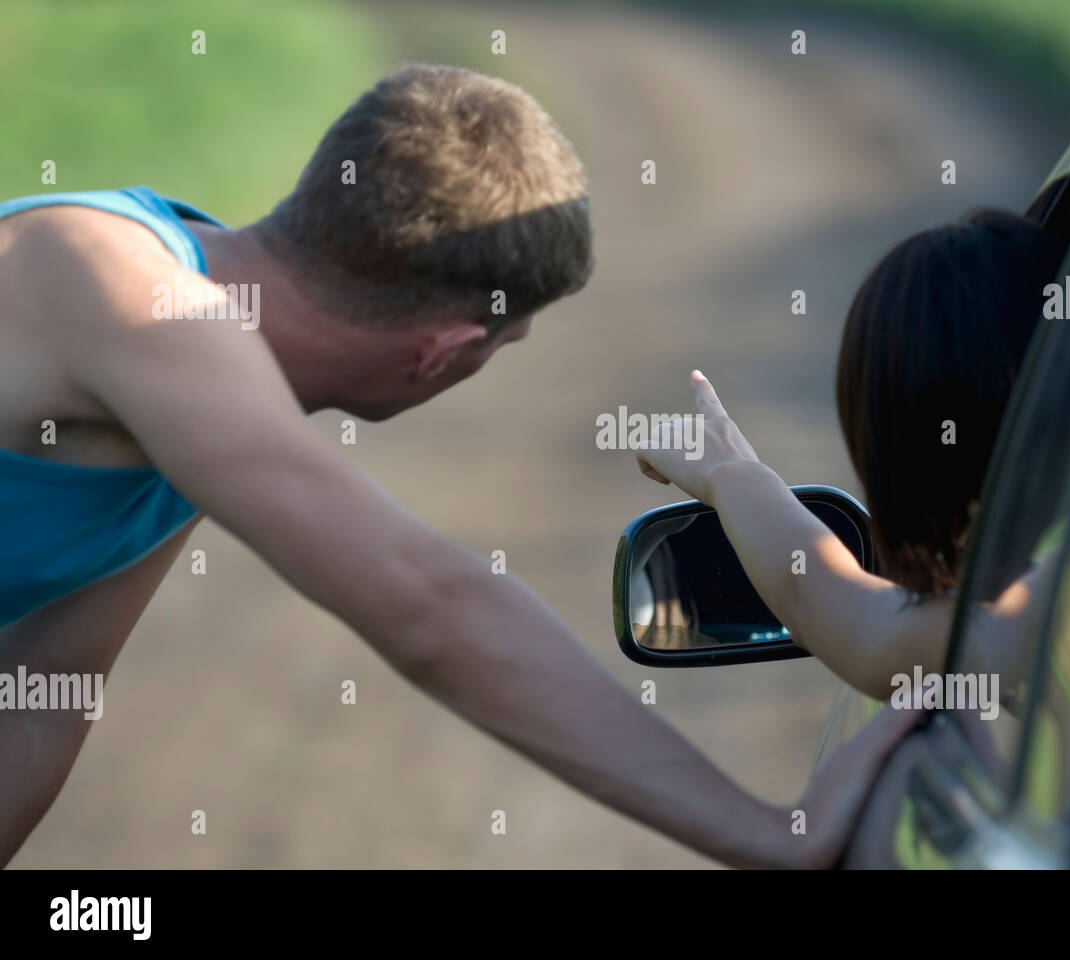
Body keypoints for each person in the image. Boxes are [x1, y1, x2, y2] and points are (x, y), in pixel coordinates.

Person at [0, 65, 917, 868]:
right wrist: (766, 834)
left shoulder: (198, 391)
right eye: (503, 347)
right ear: (440, 352)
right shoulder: (122, 290)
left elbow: (44, 688)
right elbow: (430, 602)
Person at [634, 210, 1070, 699]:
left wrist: (729, 474)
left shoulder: (1056, 603)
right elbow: (814, 597)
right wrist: (732, 472)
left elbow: (823, 605)